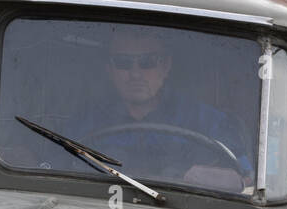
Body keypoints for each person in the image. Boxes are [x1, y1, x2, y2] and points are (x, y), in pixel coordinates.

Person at [85, 25, 252, 189]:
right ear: (109, 69)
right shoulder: (87, 121)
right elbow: (62, 161)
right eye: (123, 62)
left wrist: (203, 176)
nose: (135, 74)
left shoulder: (206, 120)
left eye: (147, 62)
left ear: (165, 66)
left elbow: (246, 177)